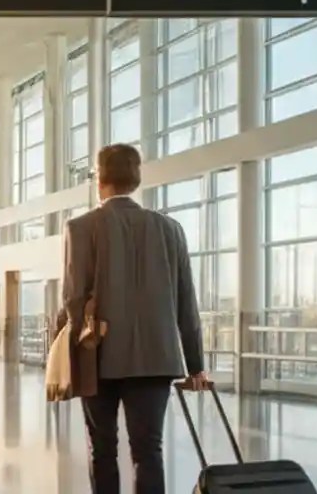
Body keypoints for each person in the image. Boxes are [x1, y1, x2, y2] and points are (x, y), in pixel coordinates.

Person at [59, 143, 206, 494]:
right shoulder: (171, 229)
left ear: (100, 181)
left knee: (103, 449)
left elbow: (74, 298)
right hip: (158, 357)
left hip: (99, 356)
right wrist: (195, 363)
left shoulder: (80, 227)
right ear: (136, 180)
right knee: (148, 450)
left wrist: (71, 350)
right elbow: (186, 300)